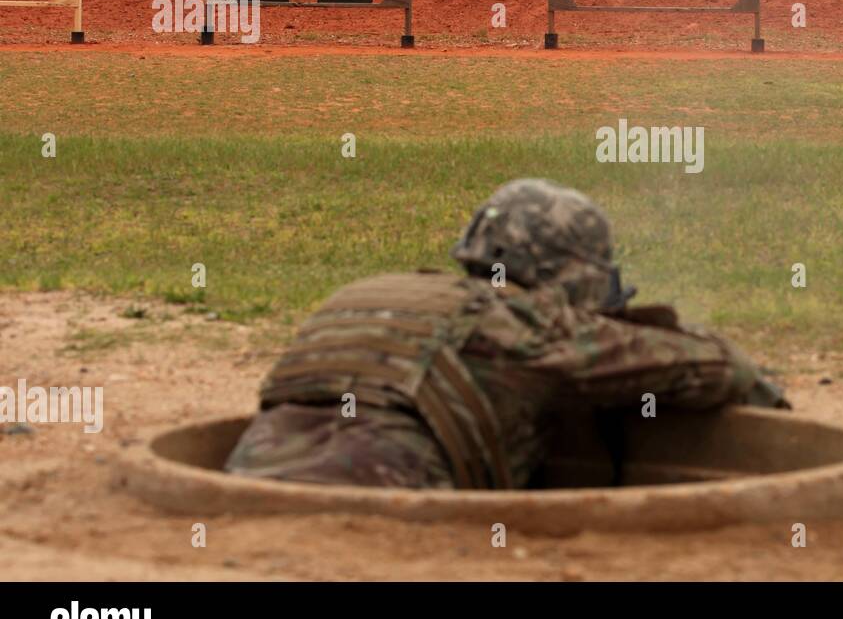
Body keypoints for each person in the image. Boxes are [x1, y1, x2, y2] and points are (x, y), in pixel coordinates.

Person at [225, 178, 788, 489]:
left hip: (242, 485)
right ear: (565, 278)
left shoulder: (369, 295)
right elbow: (713, 367)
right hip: (380, 514)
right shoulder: (528, 324)